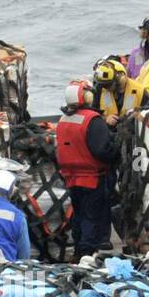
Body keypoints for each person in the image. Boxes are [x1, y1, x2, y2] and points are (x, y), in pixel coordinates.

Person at [56, 79, 121, 258]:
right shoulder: (92, 120)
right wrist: (117, 148)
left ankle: (78, 250)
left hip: (71, 178)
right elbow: (103, 150)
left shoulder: (63, 119)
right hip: (93, 178)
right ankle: (86, 253)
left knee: (79, 215)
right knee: (93, 217)